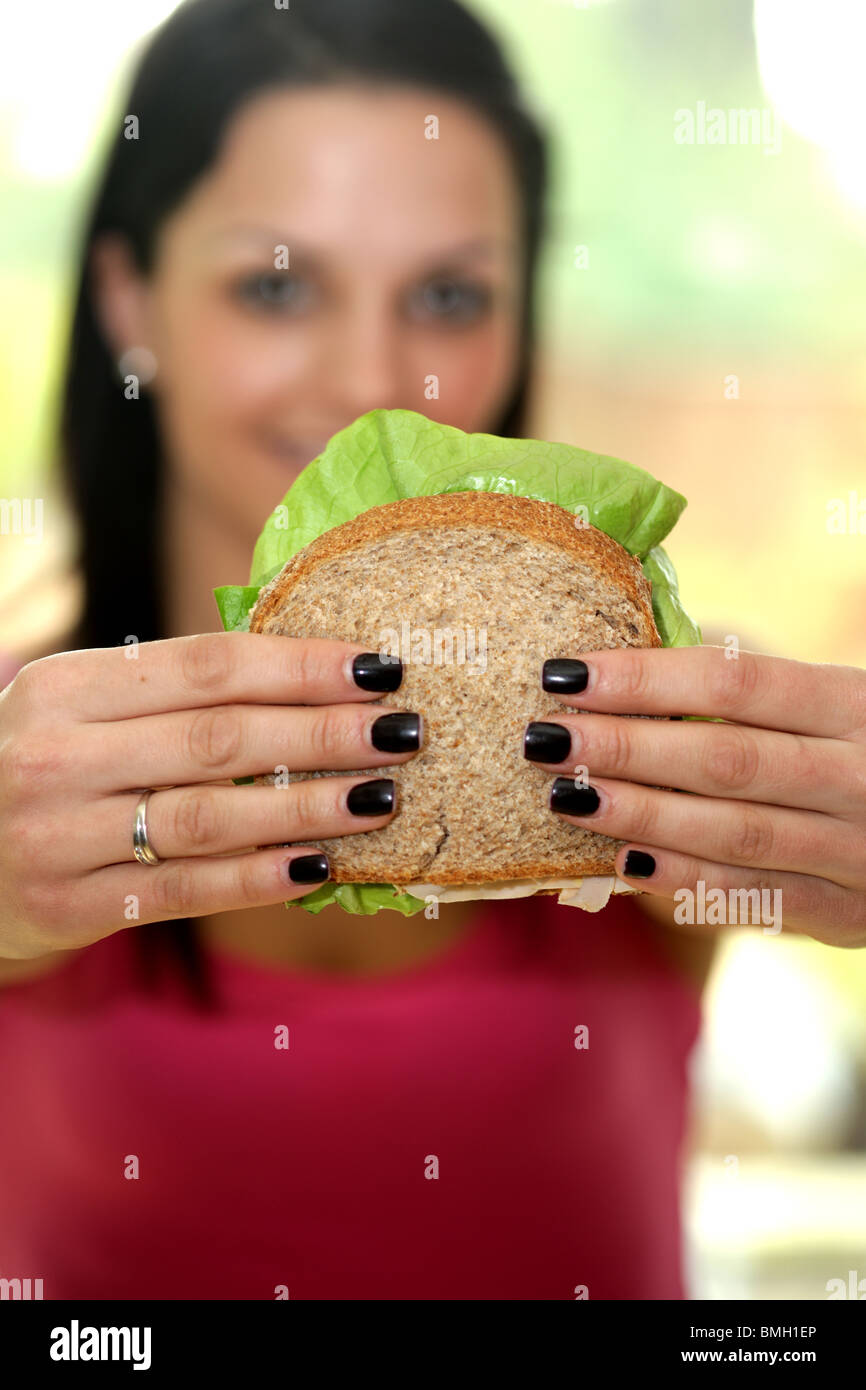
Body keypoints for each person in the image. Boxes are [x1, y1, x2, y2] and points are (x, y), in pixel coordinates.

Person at [0, 0, 862, 1301]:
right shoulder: (21, 763)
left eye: (448, 293)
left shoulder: (674, 733)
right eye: (276, 285)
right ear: (130, 299)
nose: (369, 375)